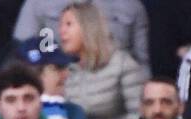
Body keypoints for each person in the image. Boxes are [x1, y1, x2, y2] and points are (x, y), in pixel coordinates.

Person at [57, 0, 148, 119]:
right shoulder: (67, 72)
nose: (61, 31)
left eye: (69, 24)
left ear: (88, 27)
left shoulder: (123, 64)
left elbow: (140, 115)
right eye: (61, 25)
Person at [13, 0, 149, 68]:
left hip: (116, 93)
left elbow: (143, 62)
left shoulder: (131, 5)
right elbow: (22, 51)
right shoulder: (38, 3)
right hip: (60, 84)